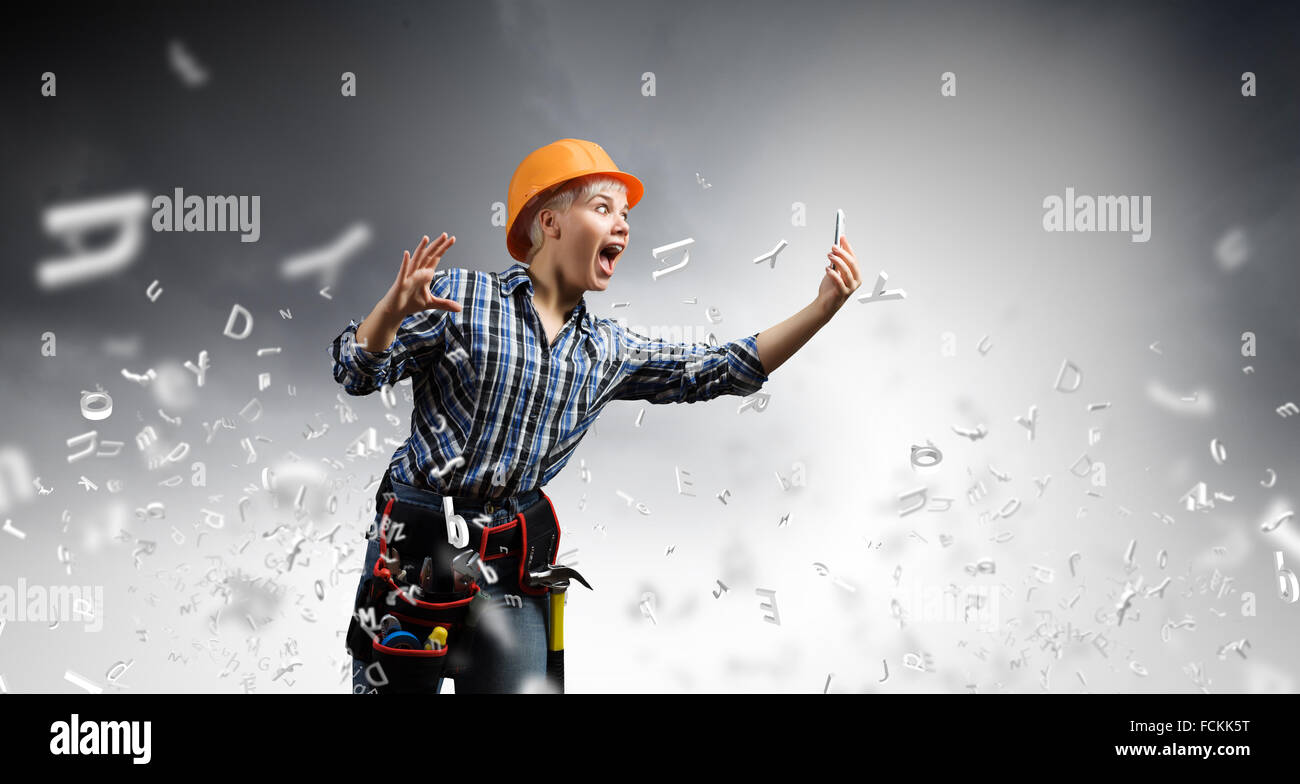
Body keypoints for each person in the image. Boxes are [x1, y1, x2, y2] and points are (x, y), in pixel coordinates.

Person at [331, 138, 862, 693]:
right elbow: (355, 372)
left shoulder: (606, 351)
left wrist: (821, 309)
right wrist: (388, 314)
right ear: (551, 222)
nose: (623, 227)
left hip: (510, 571)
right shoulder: (460, 296)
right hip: (415, 556)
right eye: (604, 208)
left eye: (626, 215)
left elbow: (715, 370)